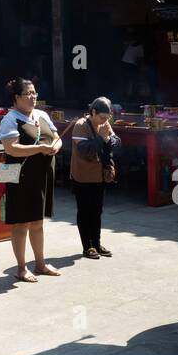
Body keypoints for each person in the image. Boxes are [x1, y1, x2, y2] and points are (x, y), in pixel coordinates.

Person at [0, 78, 62, 283]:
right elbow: (11, 148)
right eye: (28, 94)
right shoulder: (10, 119)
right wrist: (40, 149)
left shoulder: (42, 115)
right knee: (21, 223)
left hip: (41, 175)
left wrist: (55, 147)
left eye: (35, 92)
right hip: (22, 176)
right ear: (16, 98)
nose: (33, 97)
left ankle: (40, 264)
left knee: (38, 221)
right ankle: (21, 268)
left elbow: (57, 137)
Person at [68, 96, 120, 259]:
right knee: (84, 212)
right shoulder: (80, 126)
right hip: (82, 175)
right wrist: (102, 138)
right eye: (102, 117)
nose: (104, 121)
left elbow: (117, 142)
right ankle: (87, 247)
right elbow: (86, 150)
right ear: (93, 112)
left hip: (99, 176)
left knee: (97, 211)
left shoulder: (105, 125)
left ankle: (96, 244)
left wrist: (108, 138)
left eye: (107, 118)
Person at [120, 35, 144, 101]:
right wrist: (140, 69)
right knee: (132, 81)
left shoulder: (132, 44)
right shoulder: (139, 46)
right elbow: (140, 59)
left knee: (128, 81)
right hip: (130, 64)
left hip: (126, 63)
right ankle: (131, 97)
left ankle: (127, 96)